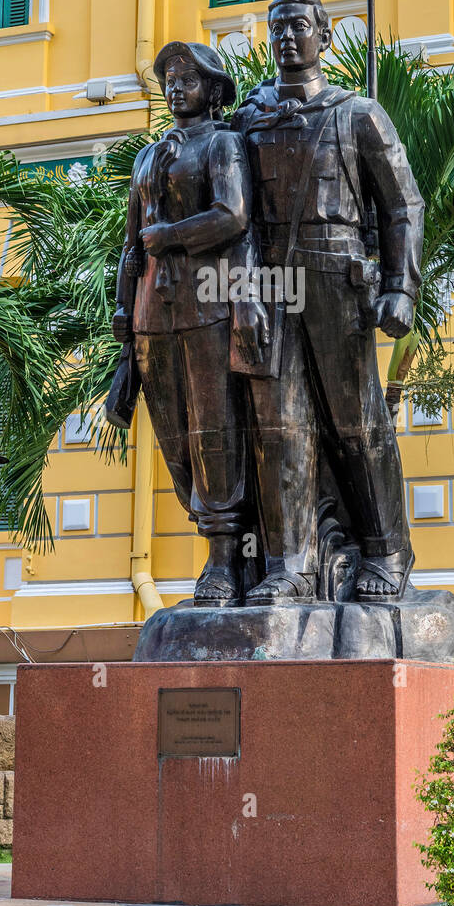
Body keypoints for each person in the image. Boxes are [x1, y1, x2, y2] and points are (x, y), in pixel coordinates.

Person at [231, 0, 424, 604]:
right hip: (264, 281)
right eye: (277, 27)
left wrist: (400, 287)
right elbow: (232, 220)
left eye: (299, 27)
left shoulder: (358, 114)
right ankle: (289, 565)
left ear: (325, 36)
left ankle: (387, 550)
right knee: (277, 425)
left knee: (357, 421)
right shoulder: (247, 120)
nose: (287, 37)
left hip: (336, 278)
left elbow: (402, 206)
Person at [111, 42, 266, 607]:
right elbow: (131, 244)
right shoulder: (147, 157)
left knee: (214, 429)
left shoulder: (222, 143)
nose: (177, 88)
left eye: (189, 79)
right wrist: (124, 319)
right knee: (175, 439)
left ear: (213, 90)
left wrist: (173, 236)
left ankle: (226, 557)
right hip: (154, 313)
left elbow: (233, 214)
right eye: (170, 79)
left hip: (208, 305)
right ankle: (214, 535)